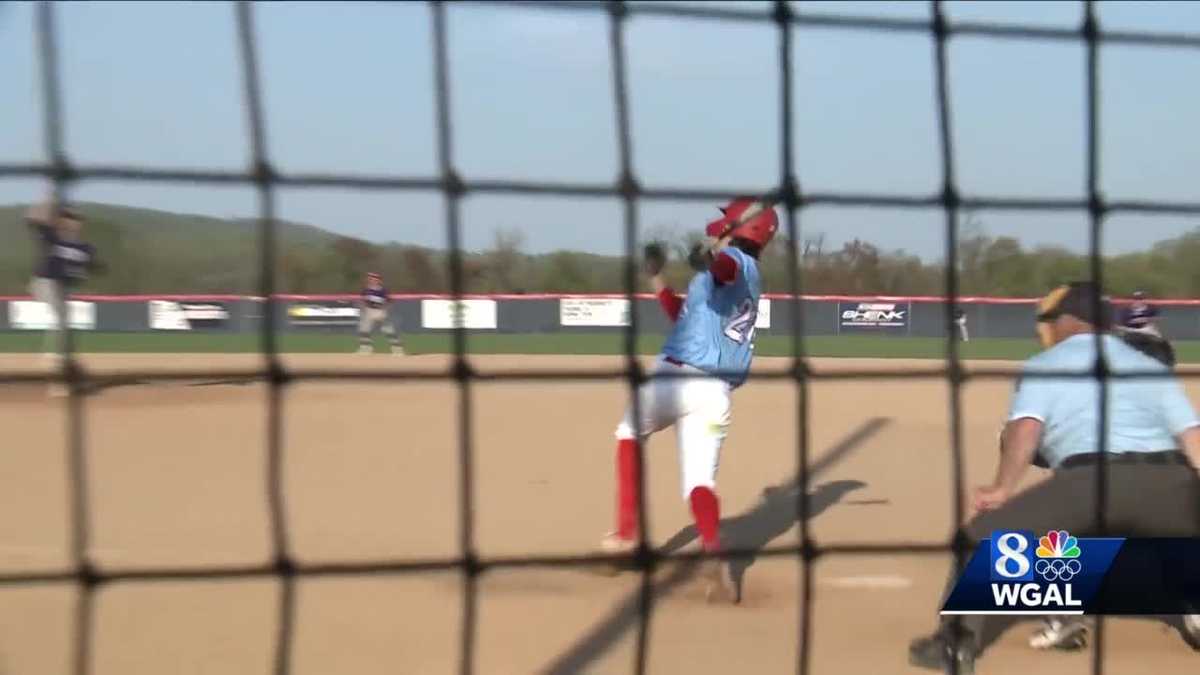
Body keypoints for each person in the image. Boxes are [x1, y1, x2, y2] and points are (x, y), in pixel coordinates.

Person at [908, 281, 1200, 673]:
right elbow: (1192, 436)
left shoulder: (1047, 364)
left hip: (1091, 481)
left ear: (1069, 321)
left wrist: (1001, 488)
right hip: (1171, 480)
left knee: (982, 539)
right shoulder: (1146, 365)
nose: (1043, 328)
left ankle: (953, 645)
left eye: (1049, 319)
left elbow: (1025, 431)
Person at [600, 197, 778, 604]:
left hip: (673, 377)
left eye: (726, 221)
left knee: (629, 432)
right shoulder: (742, 278)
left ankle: (626, 534)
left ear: (740, 229)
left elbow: (726, 267)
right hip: (715, 395)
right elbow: (683, 314)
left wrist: (709, 261)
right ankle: (713, 553)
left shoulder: (735, 265)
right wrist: (658, 280)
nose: (717, 226)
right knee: (699, 483)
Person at [25, 195, 100, 365]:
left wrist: (89, 268)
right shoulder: (51, 237)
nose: (72, 221)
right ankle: (60, 355)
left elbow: (90, 266)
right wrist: (48, 203)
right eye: (68, 217)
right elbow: (32, 219)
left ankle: (52, 353)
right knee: (62, 315)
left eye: (75, 218)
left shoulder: (85, 248)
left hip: (61, 285)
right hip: (43, 282)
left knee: (62, 317)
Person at [357, 272, 404, 355]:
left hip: (380, 311)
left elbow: (390, 301)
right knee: (364, 330)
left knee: (389, 330)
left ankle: (397, 349)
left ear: (379, 280)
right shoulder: (366, 290)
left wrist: (385, 310)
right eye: (371, 278)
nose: (373, 280)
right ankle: (366, 348)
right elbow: (361, 300)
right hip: (369, 311)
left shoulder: (383, 290)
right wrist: (364, 308)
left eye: (375, 279)